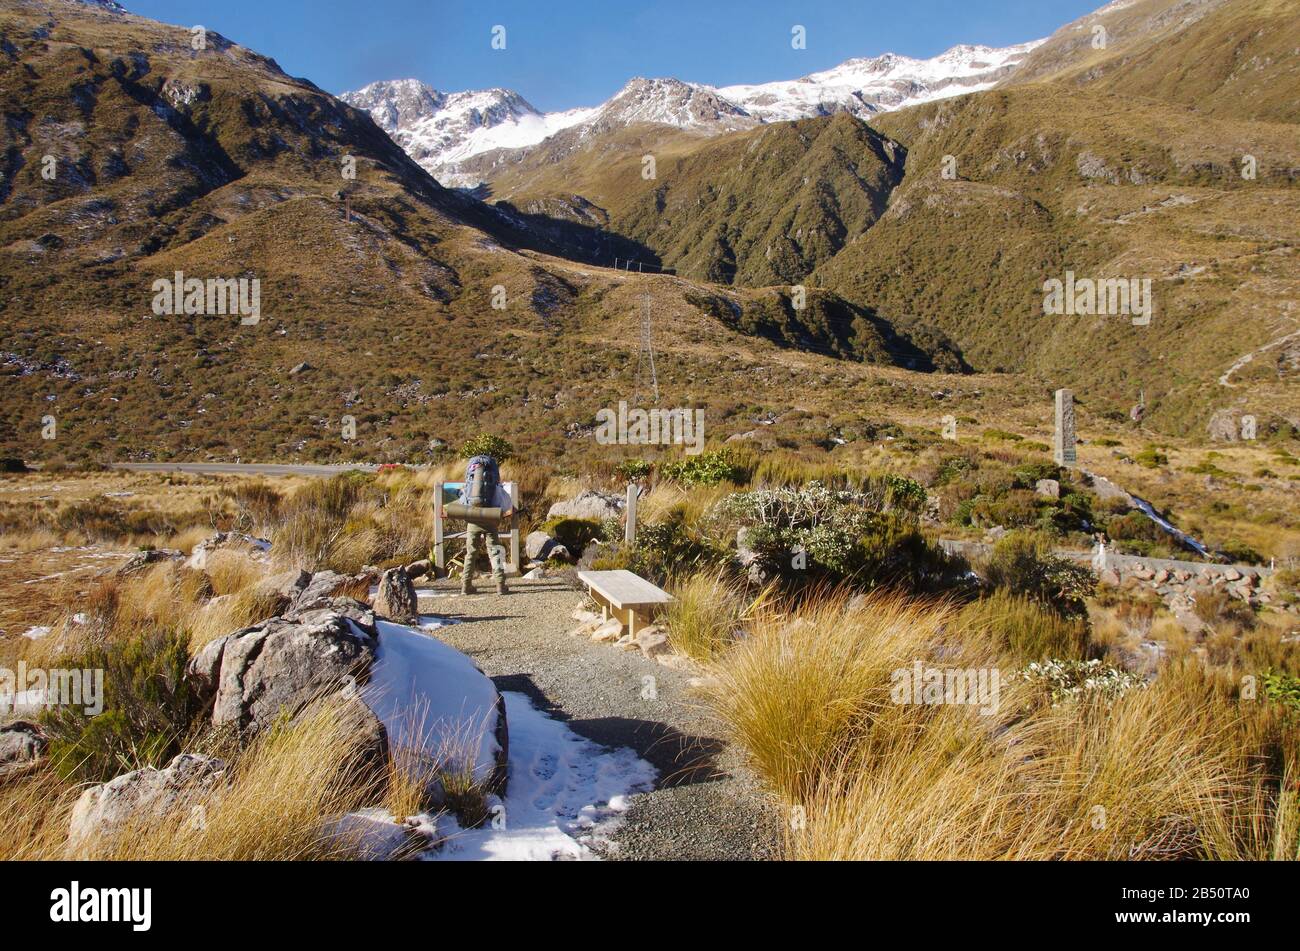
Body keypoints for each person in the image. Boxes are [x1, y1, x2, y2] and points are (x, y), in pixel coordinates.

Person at [446, 455, 514, 595]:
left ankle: (466, 585)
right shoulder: (495, 487)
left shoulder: (469, 487)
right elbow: (506, 505)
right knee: (495, 552)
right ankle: (500, 585)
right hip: (490, 521)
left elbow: (463, 502)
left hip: (473, 521)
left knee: (470, 553)